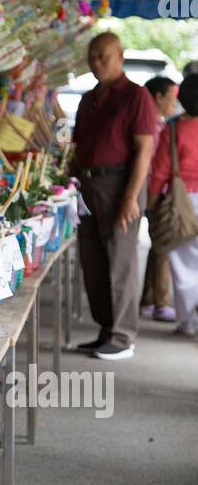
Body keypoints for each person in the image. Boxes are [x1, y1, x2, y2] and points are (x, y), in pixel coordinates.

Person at [71, 32, 157, 359]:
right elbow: (78, 148)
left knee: (120, 262)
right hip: (87, 186)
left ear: (120, 56)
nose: (97, 63)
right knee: (92, 263)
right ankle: (105, 329)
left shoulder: (136, 96)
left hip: (120, 185)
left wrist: (130, 197)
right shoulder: (88, 99)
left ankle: (122, 337)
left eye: (103, 56)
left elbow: (144, 150)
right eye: (92, 56)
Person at [147, 72, 198, 336]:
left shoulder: (174, 129)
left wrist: (152, 205)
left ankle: (189, 322)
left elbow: (159, 172)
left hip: (182, 204)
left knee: (183, 266)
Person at [139, 76, 179, 322]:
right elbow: (156, 167)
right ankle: (160, 302)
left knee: (159, 248)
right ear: (158, 97)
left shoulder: (157, 125)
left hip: (151, 192)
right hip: (154, 192)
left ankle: (149, 299)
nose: (174, 103)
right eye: (171, 97)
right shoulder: (153, 128)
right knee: (164, 247)